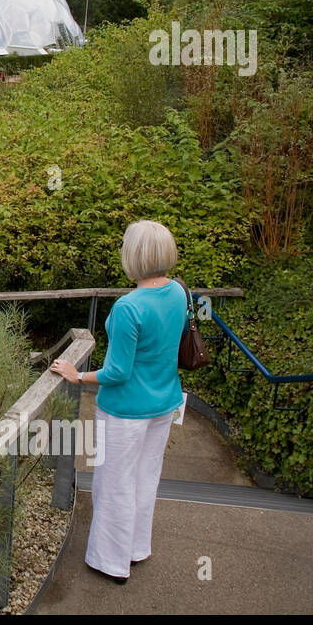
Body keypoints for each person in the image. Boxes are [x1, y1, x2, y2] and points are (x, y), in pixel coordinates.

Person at [51, 220, 188, 585]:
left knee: (114, 483)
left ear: (133, 254)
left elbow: (116, 373)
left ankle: (111, 562)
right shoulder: (178, 293)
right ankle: (135, 549)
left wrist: (76, 375)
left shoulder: (128, 307)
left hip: (126, 410)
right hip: (164, 403)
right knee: (146, 478)